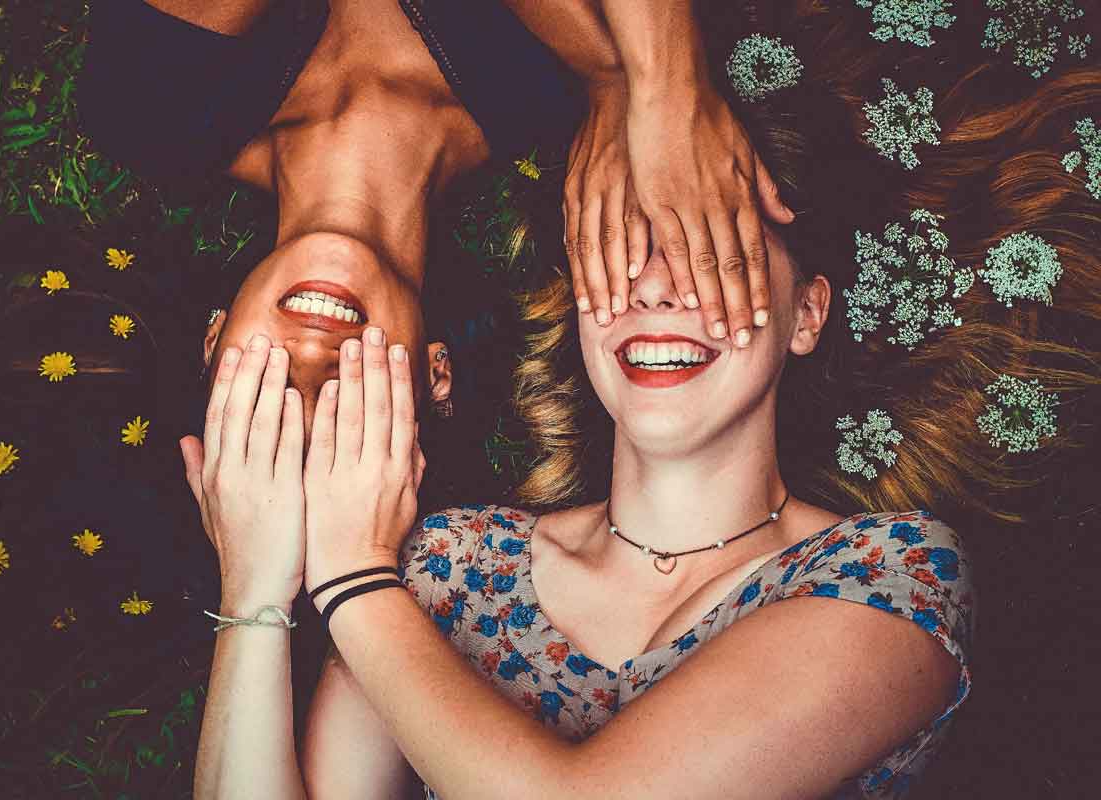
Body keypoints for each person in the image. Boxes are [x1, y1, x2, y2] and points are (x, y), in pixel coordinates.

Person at [178, 3, 1101, 798]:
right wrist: (254, 591)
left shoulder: (892, 577)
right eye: (624, 243)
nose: (657, 287)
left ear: (807, 314)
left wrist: (348, 577)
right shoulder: (449, 572)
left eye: (708, 249)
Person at [79, 0, 795, 431]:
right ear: (435, 375)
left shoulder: (150, 113)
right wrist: (634, 79)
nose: (312, 355)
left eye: (269, 393)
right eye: (347, 403)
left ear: (212, 345)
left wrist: (656, 81)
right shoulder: (552, 92)